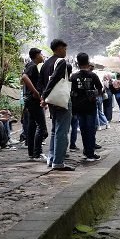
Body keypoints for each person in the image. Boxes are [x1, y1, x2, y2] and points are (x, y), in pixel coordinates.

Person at [39, 38, 75, 171]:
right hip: (61, 99)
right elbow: (54, 79)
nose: (65, 51)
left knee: (54, 129)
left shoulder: (45, 63)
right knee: (62, 130)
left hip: (51, 101)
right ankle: (58, 162)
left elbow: (41, 82)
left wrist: (44, 96)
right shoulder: (61, 62)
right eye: (64, 49)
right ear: (59, 48)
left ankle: (52, 158)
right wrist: (44, 96)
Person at [70, 52, 103, 162]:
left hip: (78, 107)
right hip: (90, 106)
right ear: (88, 62)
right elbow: (100, 89)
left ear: (77, 63)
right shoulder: (93, 75)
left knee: (83, 129)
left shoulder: (73, 77)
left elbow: (71, 92)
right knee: (91, 129)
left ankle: (86, 151)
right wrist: (93, 95)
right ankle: (90, 153)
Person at [21, 48, 48, 161]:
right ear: (37, 55)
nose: (43, 56)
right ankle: (37, 153)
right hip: (33, 100)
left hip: (30, 100)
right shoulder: (32, 66)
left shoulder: (31, 65)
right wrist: (35, 92)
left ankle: (32, 153)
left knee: (32, 126)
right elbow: (24, 77)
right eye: (41, 54)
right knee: (42, 127)